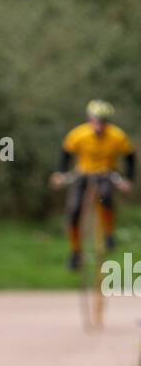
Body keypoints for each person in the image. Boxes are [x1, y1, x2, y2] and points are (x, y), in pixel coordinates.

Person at [51, 100, 133, 270]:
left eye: (103, 121)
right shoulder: (78, 134)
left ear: (107, 121)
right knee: (74, 210)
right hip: (83, 173)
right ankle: (75, 252)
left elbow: (129, 156)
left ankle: (109, 234)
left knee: (106, 196)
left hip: (107, 173)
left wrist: (128, 179)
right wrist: (59, 174)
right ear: (90, 119)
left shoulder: (117, 136)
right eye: (96, 120)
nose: (99, 125)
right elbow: (65, 154)